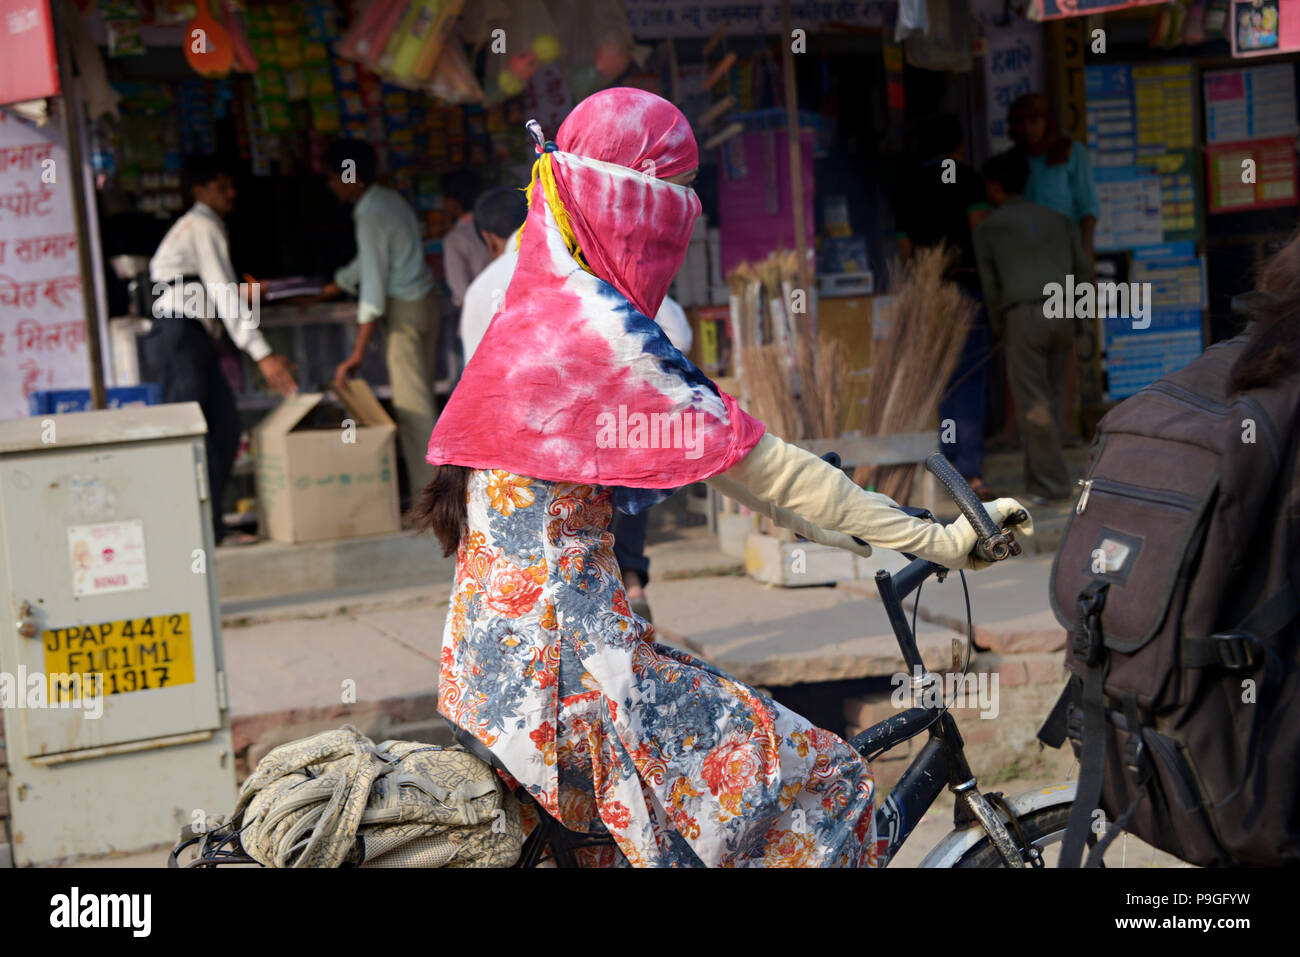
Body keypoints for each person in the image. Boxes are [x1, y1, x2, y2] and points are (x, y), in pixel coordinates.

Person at [418, 88, 1033, 867]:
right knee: (826, 781)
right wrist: (935, 538)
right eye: (664, 216)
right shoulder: (597, 335)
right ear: (628, 211)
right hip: (576, 684)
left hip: (489, 671)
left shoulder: (526, 307)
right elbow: (773, 478)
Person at [461, 186, 693, 621]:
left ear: (491, 239)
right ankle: (631, 585)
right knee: (621, 489)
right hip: (610, 444)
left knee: (547, 580)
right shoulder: (594, 265)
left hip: (524, 467)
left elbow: (473, 393)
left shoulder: (481, 290)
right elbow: (676, 334)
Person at [146, 155, 297, 545]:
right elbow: (222, 290)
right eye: (221, 187)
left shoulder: (204, 226)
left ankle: (208, 527)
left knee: (223, 428)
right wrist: (260, 351)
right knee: (190, 434)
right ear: (199, 191)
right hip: (179, 334)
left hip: (192, 335)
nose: (231, 194)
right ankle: (186, 531)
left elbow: (215, 291)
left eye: (231, 186)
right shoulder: (201, 225)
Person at [318, 139, 440, 494]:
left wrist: (357, 353)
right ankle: (440, 499)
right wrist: (337, 283)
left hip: (404, 315)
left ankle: (433, 502)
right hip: (425, 306)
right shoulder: (389, 202)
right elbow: (371, 264)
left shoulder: (370, 214)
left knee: (415, 413)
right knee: (423, 404)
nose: (331, 185)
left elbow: (372, 291)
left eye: (332, 177)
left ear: (349, 176)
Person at [973, 150, 1091, 505]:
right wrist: (1080, 320)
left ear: (993, 188)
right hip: (1064, 310)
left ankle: (1052, 487)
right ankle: (1041, 481)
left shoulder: (989, 228)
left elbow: (990, 287)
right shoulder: (1059, 220)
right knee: (1054, 400)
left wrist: (999, 328)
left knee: (1033, 404)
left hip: (1023, 315)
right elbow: (1082, 272)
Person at [894, 114, 994, 499]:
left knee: (940, 380)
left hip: (929, 294)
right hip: (966, 292)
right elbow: (981, 233)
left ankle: (946, 466)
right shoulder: (967, 179)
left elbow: (905, 249)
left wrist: (924, 284)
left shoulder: (908, 185)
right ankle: (970, 473)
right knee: (969, 380)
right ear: (959, 146)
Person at [1007, 93, 1100, 260]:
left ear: (1047, 121)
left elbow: (1089, 210)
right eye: (1021, 123)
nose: (1027, 129)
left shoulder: (1071, 152)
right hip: (1027, 260)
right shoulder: (1013, 160)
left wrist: (1085, 262)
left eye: (1034, 121)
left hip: (1065, 257)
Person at [440, 169, 492, 311]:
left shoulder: (455, 239)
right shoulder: (496, 225)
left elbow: (461, 294)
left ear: (452, 202)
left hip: (480, 316)